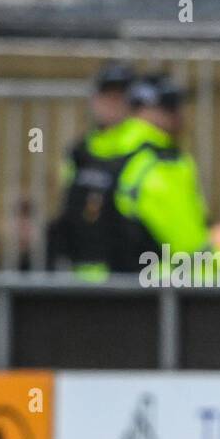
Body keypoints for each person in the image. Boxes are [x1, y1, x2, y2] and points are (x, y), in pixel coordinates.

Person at [111, 74, 213, 277]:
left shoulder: (112, 149)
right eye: (168, 106)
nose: (178, 114)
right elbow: (188, 243)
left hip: (113, 286)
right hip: (161, 288)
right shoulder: (160, 163)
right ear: (143, 110)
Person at [48, 62, 139, 279]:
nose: (111, 104)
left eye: (119, 97)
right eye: (106, 96)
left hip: (127, 277)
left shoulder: (143, 149)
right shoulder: (78, 152)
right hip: (81, 275)